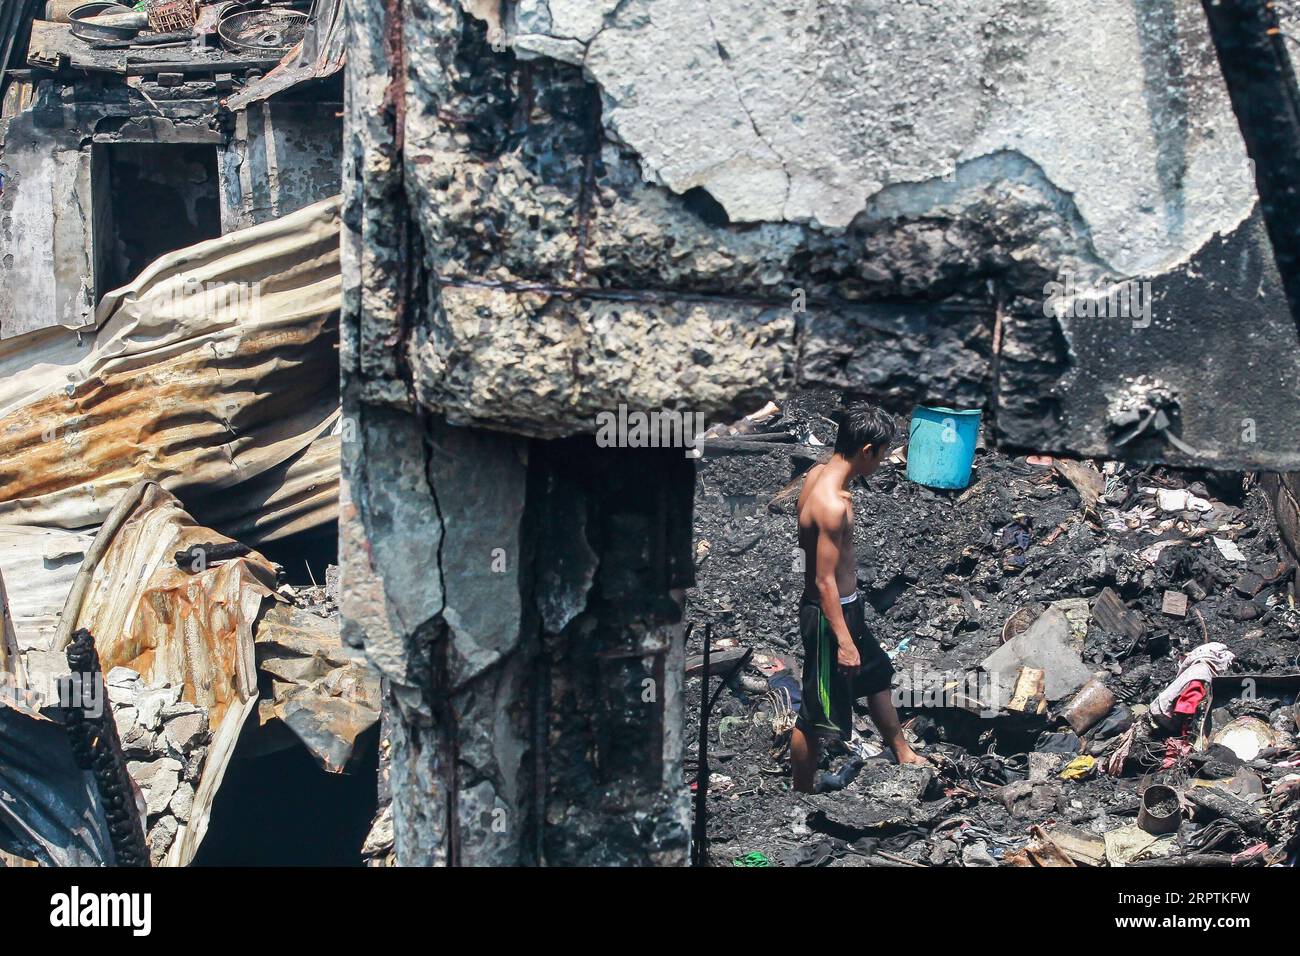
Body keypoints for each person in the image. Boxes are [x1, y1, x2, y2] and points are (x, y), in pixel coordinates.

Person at [790, 401, 927, 793]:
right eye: (883, 455)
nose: (883, 463)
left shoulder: (817, 473)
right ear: (867, 450)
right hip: (829, 616)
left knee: (877, 674)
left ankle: (901, 750)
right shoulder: (832, 504)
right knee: (815, 714)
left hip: (845, 611)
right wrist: (844, 641)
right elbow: (824, 580)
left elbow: (804, 554)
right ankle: (801, 793)